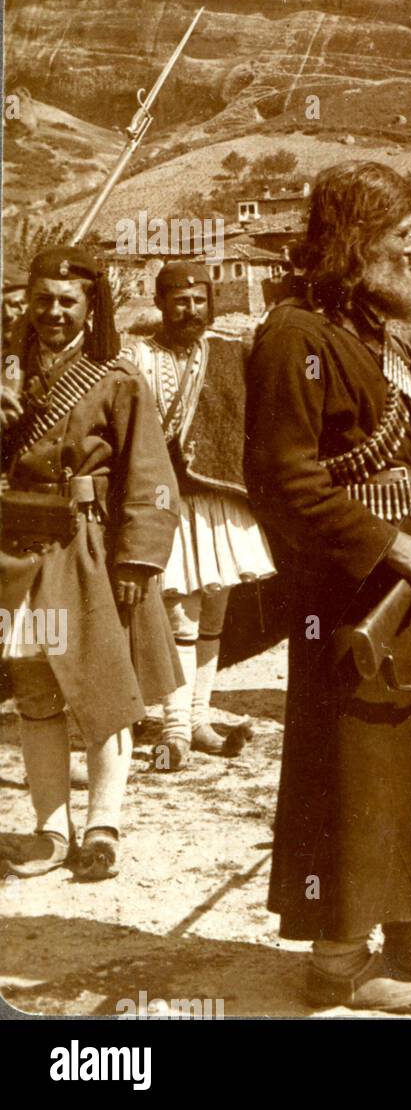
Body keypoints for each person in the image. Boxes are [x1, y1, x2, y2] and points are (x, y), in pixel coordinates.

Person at [244, 162, 411, 1016]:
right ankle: (336, 961)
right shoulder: (295, 336)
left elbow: (408, 449)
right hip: (354, 595)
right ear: (355, 243)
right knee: (356, 772)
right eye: (399, 236)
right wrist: (385, 542)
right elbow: (281, 476)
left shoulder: (371, 335)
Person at [0, 246, 181, 879]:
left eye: (67, 301)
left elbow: (150, 475)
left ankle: (104, 826)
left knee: (103, 689)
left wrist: (138, 560)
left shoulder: (117, 377)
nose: (52, 312)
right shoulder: (6, 373)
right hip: (17, 552)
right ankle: (50, 831)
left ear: (90, 306)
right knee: (35, 689)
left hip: (86, 550)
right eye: (42, 300)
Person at [122, 262, 276, 768]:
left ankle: (199, 718)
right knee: (179, 616)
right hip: (165, 502)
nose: (190, 311)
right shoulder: (138, 355)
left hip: (220, 497)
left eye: (199, 301)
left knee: (213, 614)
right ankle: (174, 727)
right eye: (179, 301)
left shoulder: (230, 351)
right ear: (161, 303)